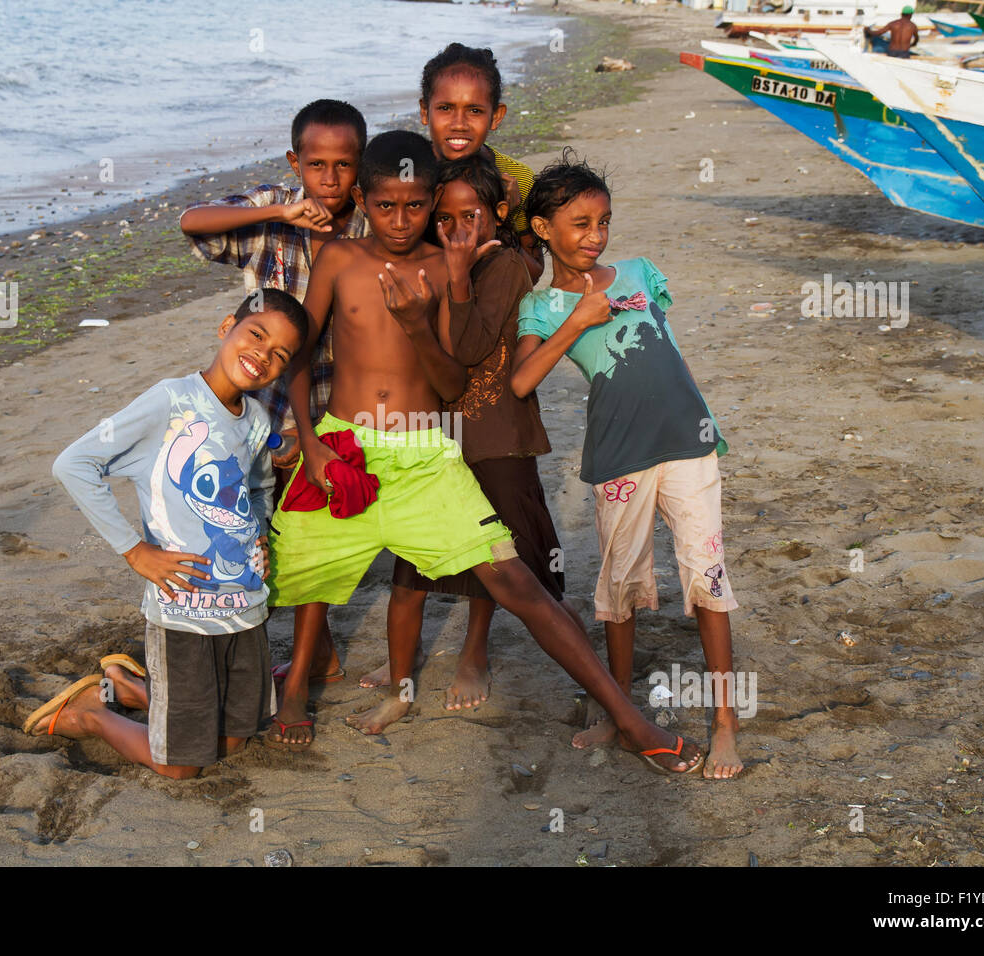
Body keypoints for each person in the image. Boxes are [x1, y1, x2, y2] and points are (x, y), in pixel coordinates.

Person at [266, 131, 703, 777]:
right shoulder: (337, 258)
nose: (401, 220)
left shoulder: (445, 268)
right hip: (340, 444)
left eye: (416, 207)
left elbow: (450, 384)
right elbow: (300, 354)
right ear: (362, 199)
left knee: (516, 580)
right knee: (298, 576)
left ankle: (632, 719)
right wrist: (309, 443)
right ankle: (295, 686)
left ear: (431, 203)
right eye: (386, 206)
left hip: (422, 453)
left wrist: (419, 321)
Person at [510, 152, 744, 779]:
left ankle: (725, 721)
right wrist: (579, 319)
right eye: (581, 224)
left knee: (708, 574)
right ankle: (619, 707)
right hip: (619, 457)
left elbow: (666, 353)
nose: (596, 236)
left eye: (604, 221)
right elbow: (521, 381)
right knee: (620, 584)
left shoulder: (639, 271)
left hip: (690, 442)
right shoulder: (541, 308)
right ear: (543, 230)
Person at [26, 290, 308, 778]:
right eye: (256, 335)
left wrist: (258, 530)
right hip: (183, 612)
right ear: (226, 328)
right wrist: (135, 551)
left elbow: (260, 488)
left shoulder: (258, 422)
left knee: (234, 742)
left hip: (245, 607)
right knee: (180, 767)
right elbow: (73, 464)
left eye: (279, 354)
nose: (263, 355)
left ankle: (133, 687)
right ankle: (93, 713)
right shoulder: (170, 402)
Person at [359, 154, 586, 712]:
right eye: (446, 218)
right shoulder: (441, 263)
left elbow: (469, 349)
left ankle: (482, 653)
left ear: (499, 213)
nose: (459, 230)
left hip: (499, 435)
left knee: (510, 556)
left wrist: (458, 273)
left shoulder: (505, 264)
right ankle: (400, 675)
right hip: (448, 436)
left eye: (472, 216)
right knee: (416, 561)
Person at [180, 98, 367, 689]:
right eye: (316, 165)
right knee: (266, 528)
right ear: (295, 162)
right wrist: (285, 211)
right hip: (271, 409)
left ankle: (316, 655)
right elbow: (192, 220)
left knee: (313, 536)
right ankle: (319, 654)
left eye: (344, 165)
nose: (330, 179)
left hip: (343, 406)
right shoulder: (270, 210)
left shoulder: (370, 223)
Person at [419, 43, 543, 283]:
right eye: (445, 108)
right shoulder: (409, 174)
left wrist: (507, 215)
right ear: (425, 111)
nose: (459, 124)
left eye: (474, 110)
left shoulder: (516, 177)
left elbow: (533, 273)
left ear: (495, 116)